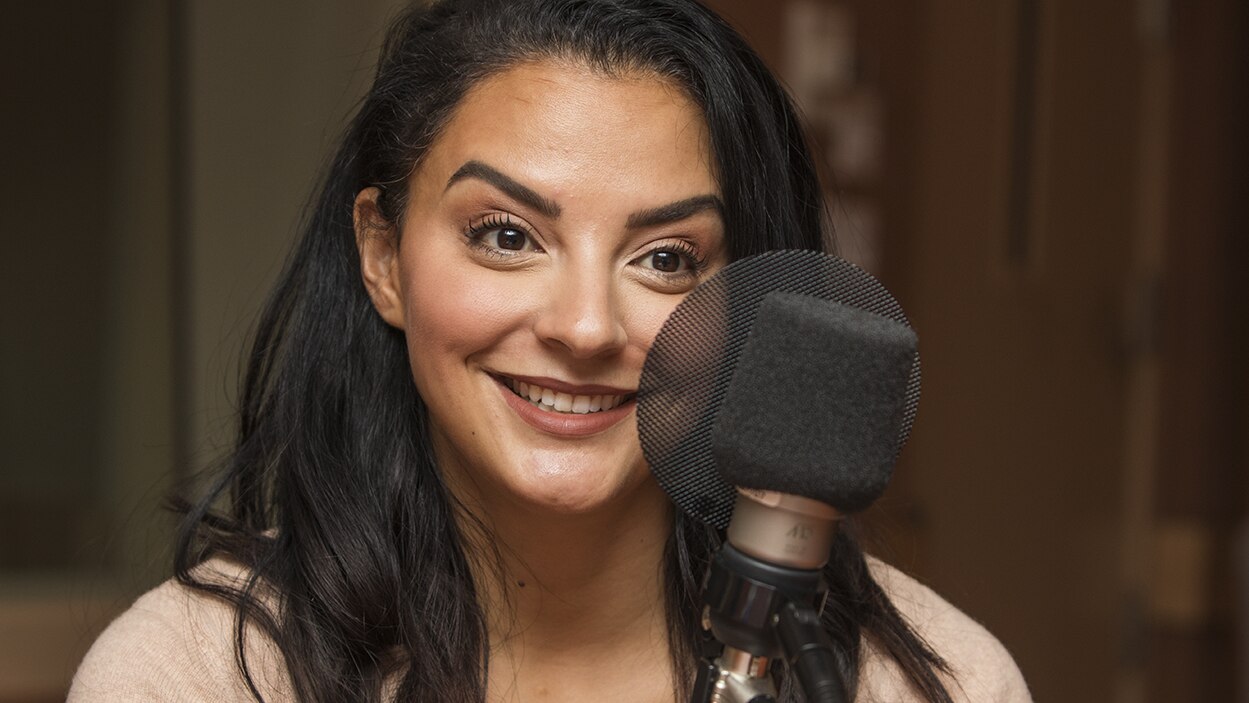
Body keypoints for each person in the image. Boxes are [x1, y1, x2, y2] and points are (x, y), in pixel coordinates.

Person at [69, 1, 1031, 701]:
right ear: (382, 257)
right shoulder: (190, 675)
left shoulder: (928, 683)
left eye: (664, 258)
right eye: (505, 235)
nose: (583, 327)